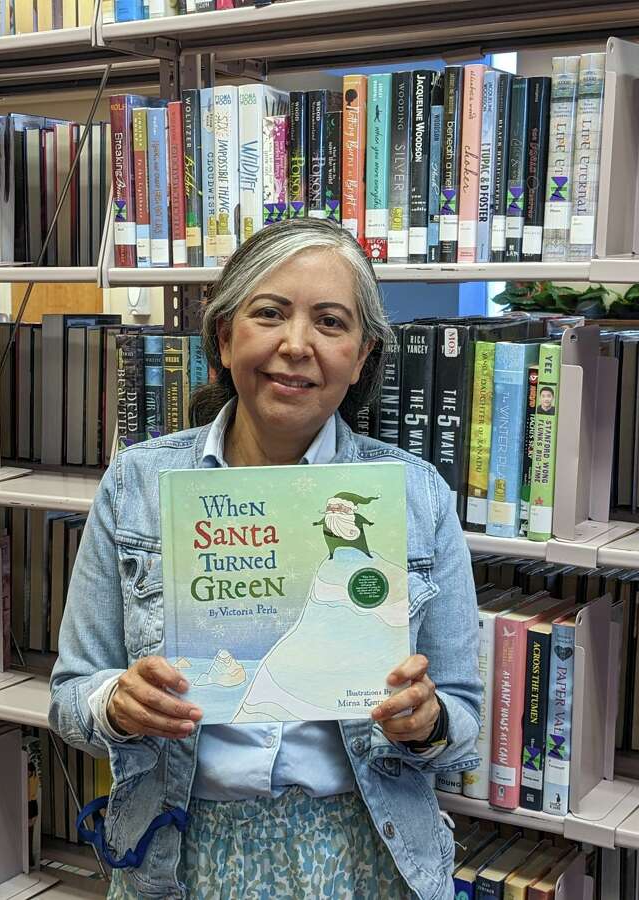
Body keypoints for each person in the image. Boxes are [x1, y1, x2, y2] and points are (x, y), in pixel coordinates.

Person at [50, 217, 483, 900]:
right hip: (181, 853)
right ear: (224, 338)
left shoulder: (416, 497)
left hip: (366, 850)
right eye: (270, 313)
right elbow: (71, 696)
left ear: (364, 356)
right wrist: (117, 705)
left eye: (331, 323)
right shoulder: (137, 485)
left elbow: (464, 723)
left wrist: (427, 723)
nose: (297, 344)